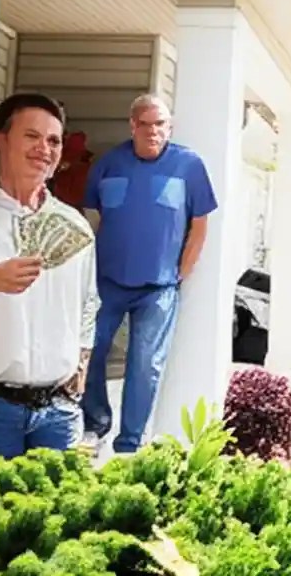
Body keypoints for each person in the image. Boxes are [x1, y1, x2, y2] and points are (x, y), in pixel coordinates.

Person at [81, 94, 218, 454]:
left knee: (144, 365)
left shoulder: (189, 165)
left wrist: (180, 274)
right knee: (89, 350)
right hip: (106, 281)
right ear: (133, 126)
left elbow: (199, 226)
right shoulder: (109, 164)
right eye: (147, 124)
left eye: (162, 124)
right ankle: (94, 425)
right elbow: (91, 222)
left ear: (169, 128)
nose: (154, 131)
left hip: (158, 287)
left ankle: (129, 443)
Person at [0, 92, 98, 460]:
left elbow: (89, 300)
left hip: (59, 412)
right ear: (0, 137)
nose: (44, 148)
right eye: (31, 136)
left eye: (53, 140)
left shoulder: (75, 226)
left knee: (62, 517)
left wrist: (83, 359)